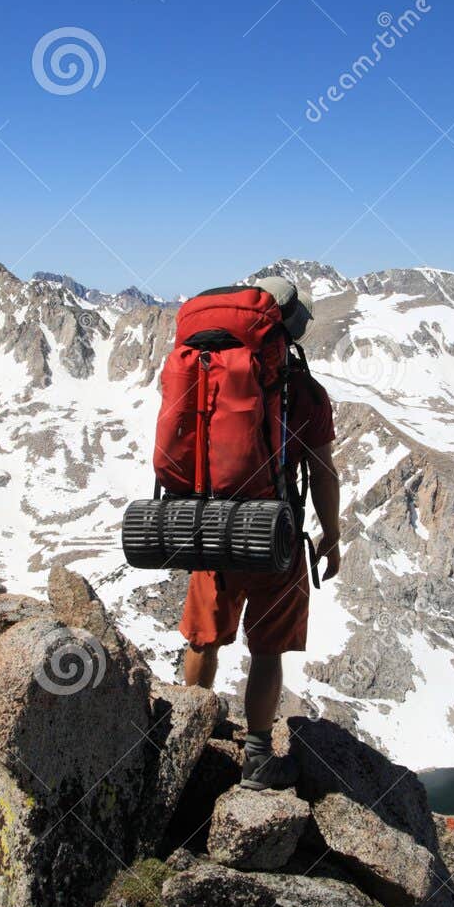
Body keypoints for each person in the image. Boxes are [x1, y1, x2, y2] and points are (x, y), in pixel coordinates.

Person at [178, 277, 342, 791]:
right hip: (275, 534)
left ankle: (189, 738)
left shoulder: (210, 373)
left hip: (213, 523)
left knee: (205, 635)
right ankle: (257, 757)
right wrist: (331, 535)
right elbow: (322, 472)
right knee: (266, 650)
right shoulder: (307, 393)